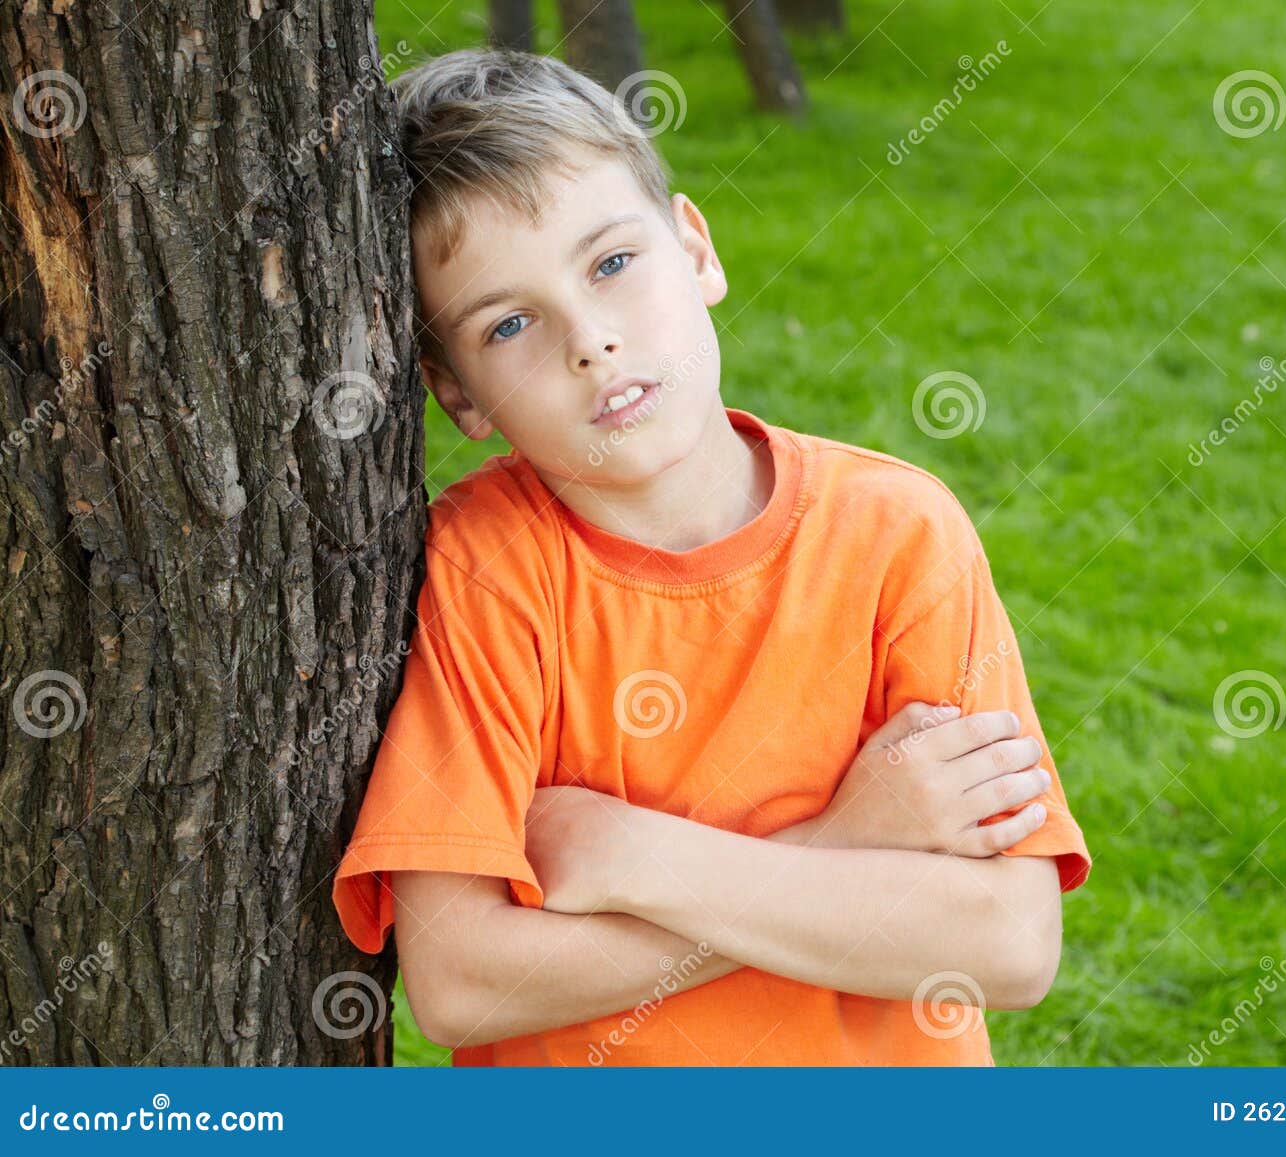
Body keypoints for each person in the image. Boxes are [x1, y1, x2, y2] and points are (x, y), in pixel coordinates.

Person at [332, 47, 1091, 1066]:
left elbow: (1006, 940)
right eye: (509, 322)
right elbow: (462, 981)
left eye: (611, 263)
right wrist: (837, 847)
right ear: (458, 394)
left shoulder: (896, 532)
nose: (590, 341)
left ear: (696, 250)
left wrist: (639, 856)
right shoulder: (488, 568)